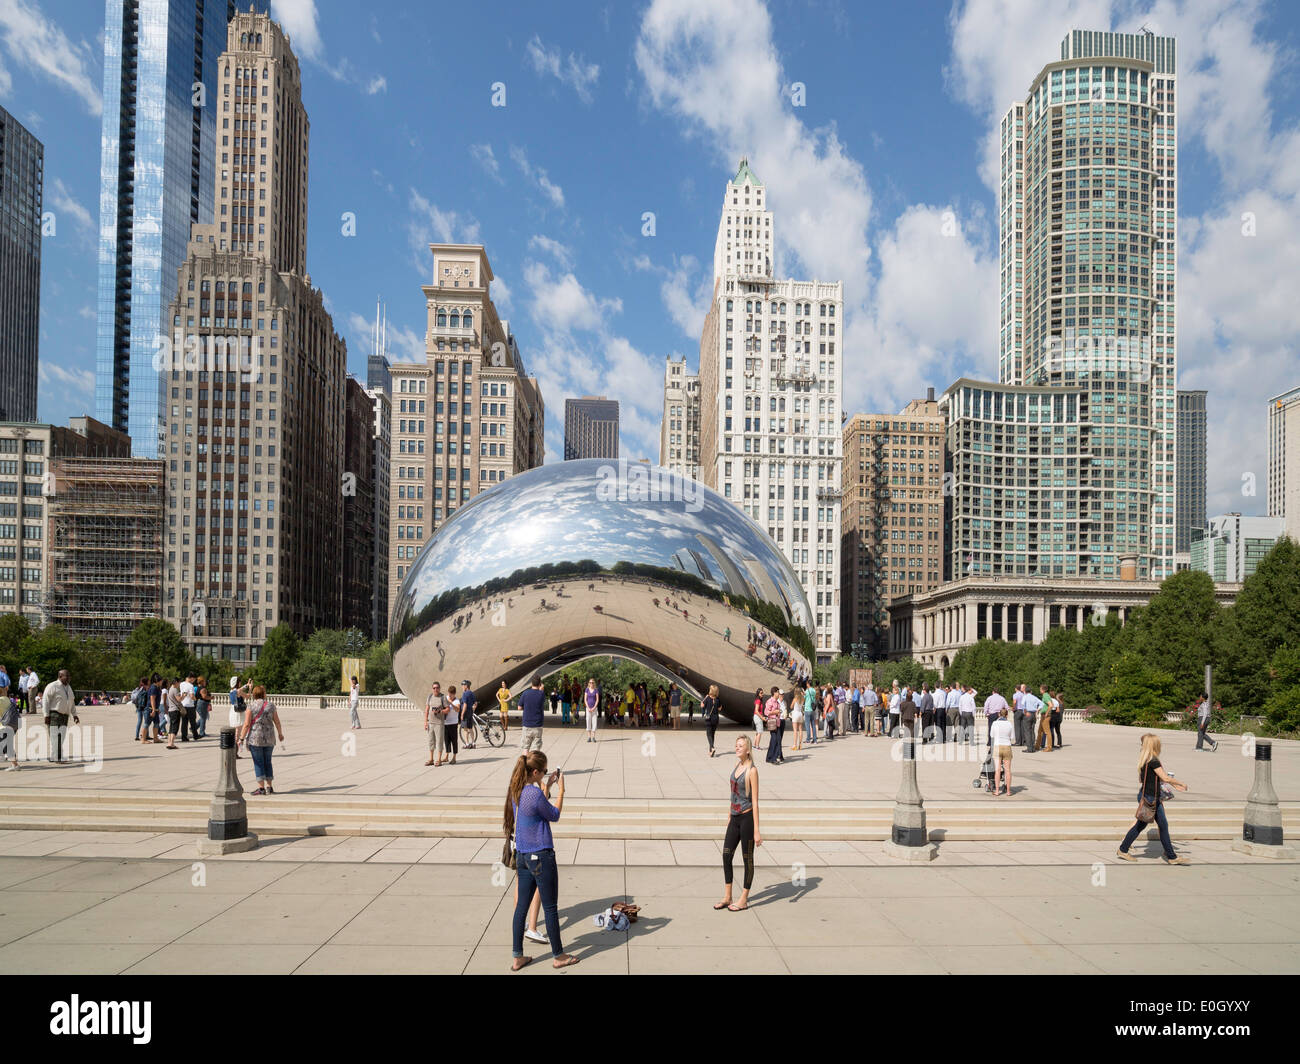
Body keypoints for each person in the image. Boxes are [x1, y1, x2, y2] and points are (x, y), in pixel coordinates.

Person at [505, 751, 579, 970]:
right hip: (542, 855)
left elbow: (535, 809)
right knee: (550, 907)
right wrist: (562, 789)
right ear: (535, 772)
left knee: (521, 908)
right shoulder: (534, 795)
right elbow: (553, 814)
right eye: (544, 771)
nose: (546, 773)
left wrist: (546, 786)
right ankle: (559, 955)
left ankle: (517, 956)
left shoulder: (517, 790)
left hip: (523, 856)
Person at [1117, 733, 1190, 864]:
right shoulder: (1154, 761)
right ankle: (1123, 849)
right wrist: (1180, 783)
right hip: (1151, 798)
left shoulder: (1145, 759)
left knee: (1161, 825)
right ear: (1155, 745)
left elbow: (1144, 779)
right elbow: (1165, 778)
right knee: (1142, 825)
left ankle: (1171, 856)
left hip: (1149, 795)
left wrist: (1173, 785)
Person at [714, 735, 761, 912]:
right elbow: (733, 793)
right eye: (736, 745)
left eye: (740, 746)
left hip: (747, 818)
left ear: (748, 749)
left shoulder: (752, 771)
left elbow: (755, 802)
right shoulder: (737, 766)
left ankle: (744, 898)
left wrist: (757, 830)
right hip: (734, 817)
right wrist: (729, 813)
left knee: (747, 859)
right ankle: (728, 896)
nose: (737, 748)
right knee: (726, 855)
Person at [238, 685, 284, 796]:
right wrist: (280, 733)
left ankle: (261, 788)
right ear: (264, 694)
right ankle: (269, 786)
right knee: (268, 762)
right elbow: (277, 721)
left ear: (254, 694)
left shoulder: (251, 706)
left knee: (258, 763)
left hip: (256, 738)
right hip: (269, 738)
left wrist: (241, 738)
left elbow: (247, 724)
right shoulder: (271, 706)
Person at [43, 668, 79, 764]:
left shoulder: (68, 687)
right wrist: (46, 715)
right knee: (55, 737)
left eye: (69, 676)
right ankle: (58, 757)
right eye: (66, 676)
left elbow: (71, 701)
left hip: (65, 716)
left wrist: (74, 715)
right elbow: (45, 701)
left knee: (61, 737)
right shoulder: (52, 686)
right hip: (54, 714)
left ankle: (53, 756)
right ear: (60, 676)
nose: (69, 678)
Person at [990, 707, 1014, 797]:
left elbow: (991, 735)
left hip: (997, 746)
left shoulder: (995, 723)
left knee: (997, 770)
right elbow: (1012, 737)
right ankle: (1008, 791)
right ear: (1007, 715)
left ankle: (997, 790)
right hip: (1007, 746)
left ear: (999, 714)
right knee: (1008, 770)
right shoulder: (1009, 724)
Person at [519, 674, 546, 752]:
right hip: (537, 725)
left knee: (525, 748)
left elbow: (519, 707)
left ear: (531, 683)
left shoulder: (525, 693)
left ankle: (525, 763)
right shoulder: (541, 694)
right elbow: (542, 699)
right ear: (540, 684)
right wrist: (542, 689)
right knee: (536, 749)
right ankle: (534, 763)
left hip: (527, 724)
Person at [425, 681, 448, 767]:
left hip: (439, 723)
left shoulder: (443, 697)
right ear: (432, 689)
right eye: (434, 688)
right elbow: (427, 709)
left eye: (437, 688)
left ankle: (439, 760)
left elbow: (448, 709)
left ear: (439, 688)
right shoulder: (430, 697)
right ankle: (431, 759)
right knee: (431, 741)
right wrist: (425, 722)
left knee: (439, 742)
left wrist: (440, 711)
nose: (435, 689)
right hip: (431, 723)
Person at [763, 687, 784, 765]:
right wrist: (775, 712)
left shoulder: (777, 702)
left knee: (774, 741)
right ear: (774, 693)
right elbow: (766, 712)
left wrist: (779, 712)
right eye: (778, 692)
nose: (779, 694)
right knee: (776, 740)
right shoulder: (770, 701)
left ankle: (769, 757)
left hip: (777, 723)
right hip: (772, 722)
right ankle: (773, 758)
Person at [1021, 686, 1042, 754]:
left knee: (1027, 731)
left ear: (1025, 692)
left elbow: (1022, 704)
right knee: (1032, 731)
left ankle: (1029, 748)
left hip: (1028, 714)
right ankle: (1033, 747)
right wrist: (1037, 710)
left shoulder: (1025, 696)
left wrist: (1025, 711)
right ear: (1031, 691)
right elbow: (1042, 704)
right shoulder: (1034, 697)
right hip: (1033, 714)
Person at [444, 684, 461, 765]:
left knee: (454, 741)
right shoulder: (446, 698)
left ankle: (454, 757)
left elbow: (457, 710)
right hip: (446, 723)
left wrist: (451, 703)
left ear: (454, 694)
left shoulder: (457, 701)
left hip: (453, 723)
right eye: (449, 694)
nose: (450, 696)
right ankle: (446, 756)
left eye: (451, 694)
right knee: (446, 741)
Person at [702, 683, 721, 757]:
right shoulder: (718, 699)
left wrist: (705, 698)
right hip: (716, 718)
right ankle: (711, 751)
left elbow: (702, 705)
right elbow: (720, 708)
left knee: (708, 734)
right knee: (712, 734)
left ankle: (712, 747)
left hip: (709, 718)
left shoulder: (707, 698)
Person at [132, 676, 151, 742]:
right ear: (146, 681)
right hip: (144, 707)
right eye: (148, 680)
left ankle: (137, 736)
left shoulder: (139, 688)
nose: (149, 681)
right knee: (146, 721)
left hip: (138, 707)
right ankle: (146, 735)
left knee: (139, 721)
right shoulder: (146, 688)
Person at [1036, 684, 1054, 752]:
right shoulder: (1046, 695)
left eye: (1040, 689)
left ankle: (1049, 747)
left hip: (1045, 716)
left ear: (1043, 690)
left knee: (1047, 732)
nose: (1039, 690)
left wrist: (1046, 713)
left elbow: (1051, 705)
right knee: (1040, 731)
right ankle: (1037, 746)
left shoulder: (1045, 696)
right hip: (1043, 715)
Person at [460, 681, 477, 746]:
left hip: (466, 713)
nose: (462, 687)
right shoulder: (472, 693)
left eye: (463, 685)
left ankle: (467, 744)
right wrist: (473, 709)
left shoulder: (465, 694)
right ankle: (473, 743)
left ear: (466, 686)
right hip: (470, 712)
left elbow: (465, 705)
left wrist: (462, 714)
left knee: (465, 729)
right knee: (471, 728)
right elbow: (475, 703)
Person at [583, 678, 599, 743]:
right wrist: (588, 707)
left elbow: (597, 699)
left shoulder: (596, 690)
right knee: (588, 721)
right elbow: (585, 699)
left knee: (594, 722)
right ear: (588, 683)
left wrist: (594, 707)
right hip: (588, 708)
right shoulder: (587, 689)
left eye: (592, 682)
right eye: (590, 682)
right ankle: (589, 737)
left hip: (594, 709)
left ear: (594, 683)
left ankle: (593, 737)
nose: (591, 683)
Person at [790, 684, 805, 751]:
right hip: (800, 713)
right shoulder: (802, 698)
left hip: (795, 713)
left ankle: (794, 745)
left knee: (795, 730)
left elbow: (791, 706)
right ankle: (800, 744)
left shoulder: (795, 698)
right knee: (800, 729)